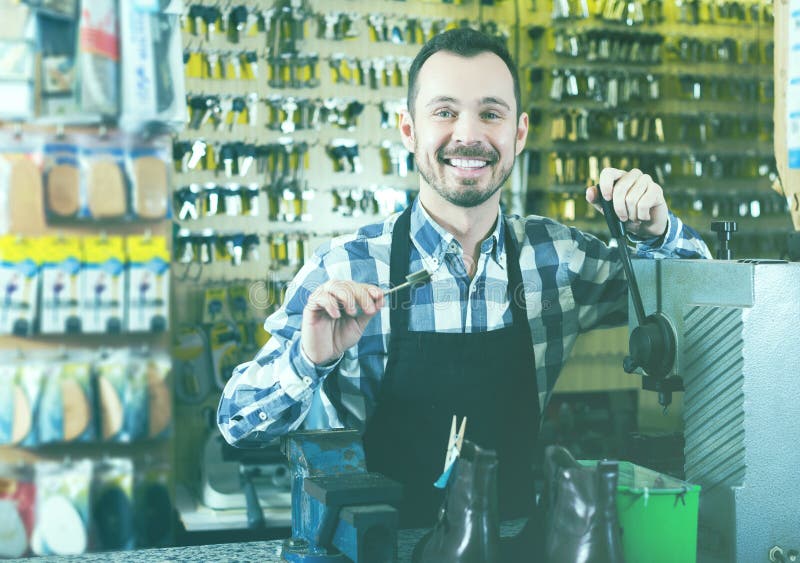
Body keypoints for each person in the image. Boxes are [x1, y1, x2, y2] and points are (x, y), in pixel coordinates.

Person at [218, 28, 711, 527]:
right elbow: (236, 423)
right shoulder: (346, 268)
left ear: (518, 133)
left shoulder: (557, 260)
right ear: (409, 130)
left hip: (516, 548)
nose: (469, 135)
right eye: (445, 112)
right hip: (378, 553)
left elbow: (706, 311)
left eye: (490, 114)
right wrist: (309, 360)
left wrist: (658, 230)